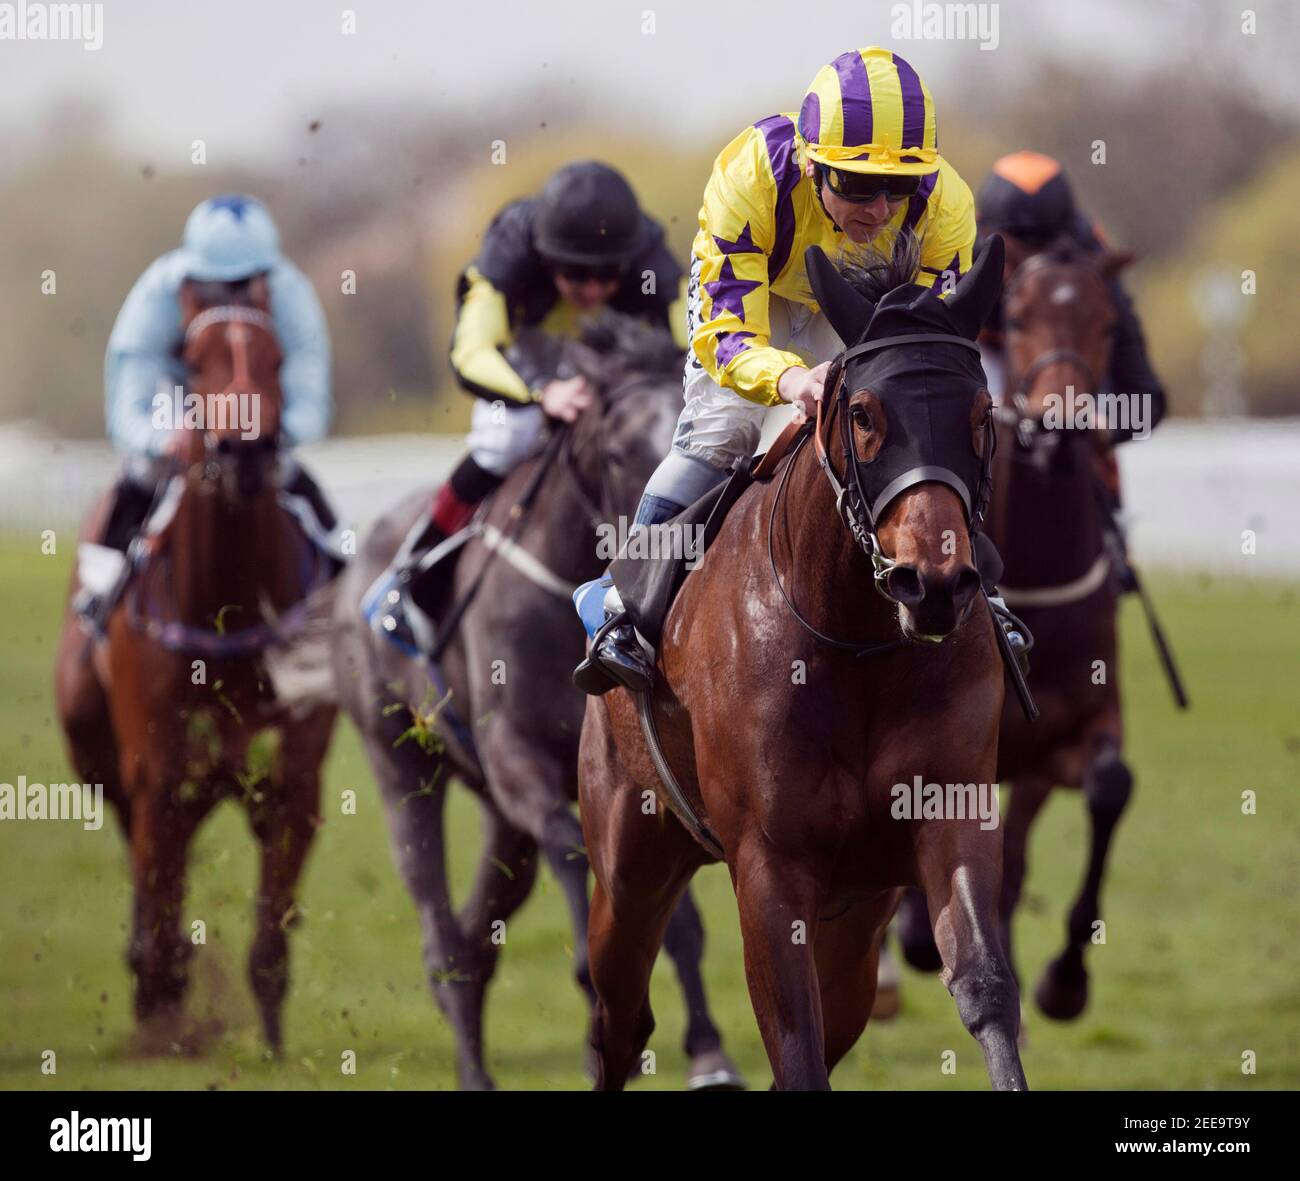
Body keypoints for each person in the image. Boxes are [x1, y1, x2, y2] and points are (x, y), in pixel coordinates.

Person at [585, 46, 1003, 692]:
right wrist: (790, 380)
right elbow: (725, 335)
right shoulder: (747, 177)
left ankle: (983, 591)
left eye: (898, 186)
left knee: (924, 420)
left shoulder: (946, 205)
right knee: (726, 427)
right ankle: (620, 602)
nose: (880, 208)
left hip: (863, 301)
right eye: (857, 185)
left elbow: (929, 358)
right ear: (810, 165)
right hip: (762, 298)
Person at [376, 160, 686, 651]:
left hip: (606, 365)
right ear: (545, 258)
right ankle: (410, 572)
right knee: (506, 437)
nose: (591, 289)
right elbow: (471, 354)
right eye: (575, 275)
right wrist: (540, 397)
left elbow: (685, 352)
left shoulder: (650, 257)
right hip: (524, 358)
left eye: (606, 276)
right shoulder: (508, 252)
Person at [77, 193, 338, 627]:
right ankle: (99, 596)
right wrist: (163, 439)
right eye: (217, 285)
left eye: (246, 283)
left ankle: (338, 571)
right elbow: (128, 408)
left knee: (289, 472)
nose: (233, 296)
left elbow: (309, 400)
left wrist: (273, 432)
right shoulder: (156, 296)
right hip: (180, 392)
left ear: (265, 274)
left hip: (259, 404)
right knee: (143, 473)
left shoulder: (289, 294)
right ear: (191, 273)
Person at [975, 150, 1167, 579]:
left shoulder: (1096, 277)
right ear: (988, 239)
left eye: (1043, 245)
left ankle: (1112, 538)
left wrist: (1104, 422)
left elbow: (1149, 400)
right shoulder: (959, 260)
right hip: (986, 360)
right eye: (1014, 250)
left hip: (1073, 392)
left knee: (1076, 400)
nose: (1031, 265)